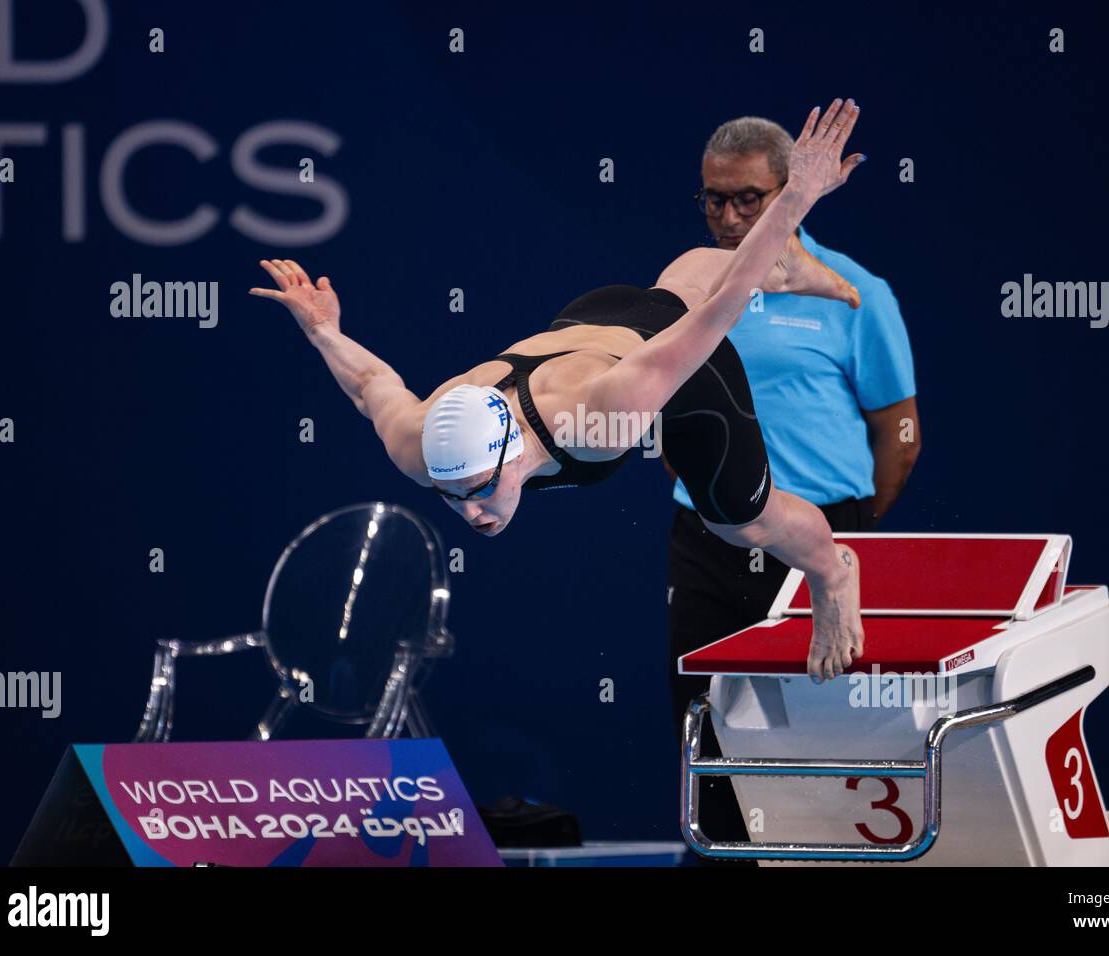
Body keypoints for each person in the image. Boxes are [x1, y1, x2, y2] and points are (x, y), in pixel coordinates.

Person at [251, 100, 867, 681]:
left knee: (744, 523)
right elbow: (371, 386)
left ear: (512, 449)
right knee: (683, 283)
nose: (470, 512)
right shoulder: (423, 448)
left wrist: (795, 198)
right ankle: (786, 266)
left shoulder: (600, 417)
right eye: (451, 496)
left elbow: (722, 312)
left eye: (480, 489)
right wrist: (324, 330)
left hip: (665, 366)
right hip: (591, 325)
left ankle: (833, 573)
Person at [666, 115, 919, 856]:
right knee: (704, 726)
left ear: (790, 195)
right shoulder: (691, 286)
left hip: (820, 540)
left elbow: (899, 433)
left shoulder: (860, 293)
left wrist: (853, 522)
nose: (731, 217)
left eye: (750, 199)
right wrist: (708, 491)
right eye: (714, 200)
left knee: (830, 727)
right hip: (707, 538)